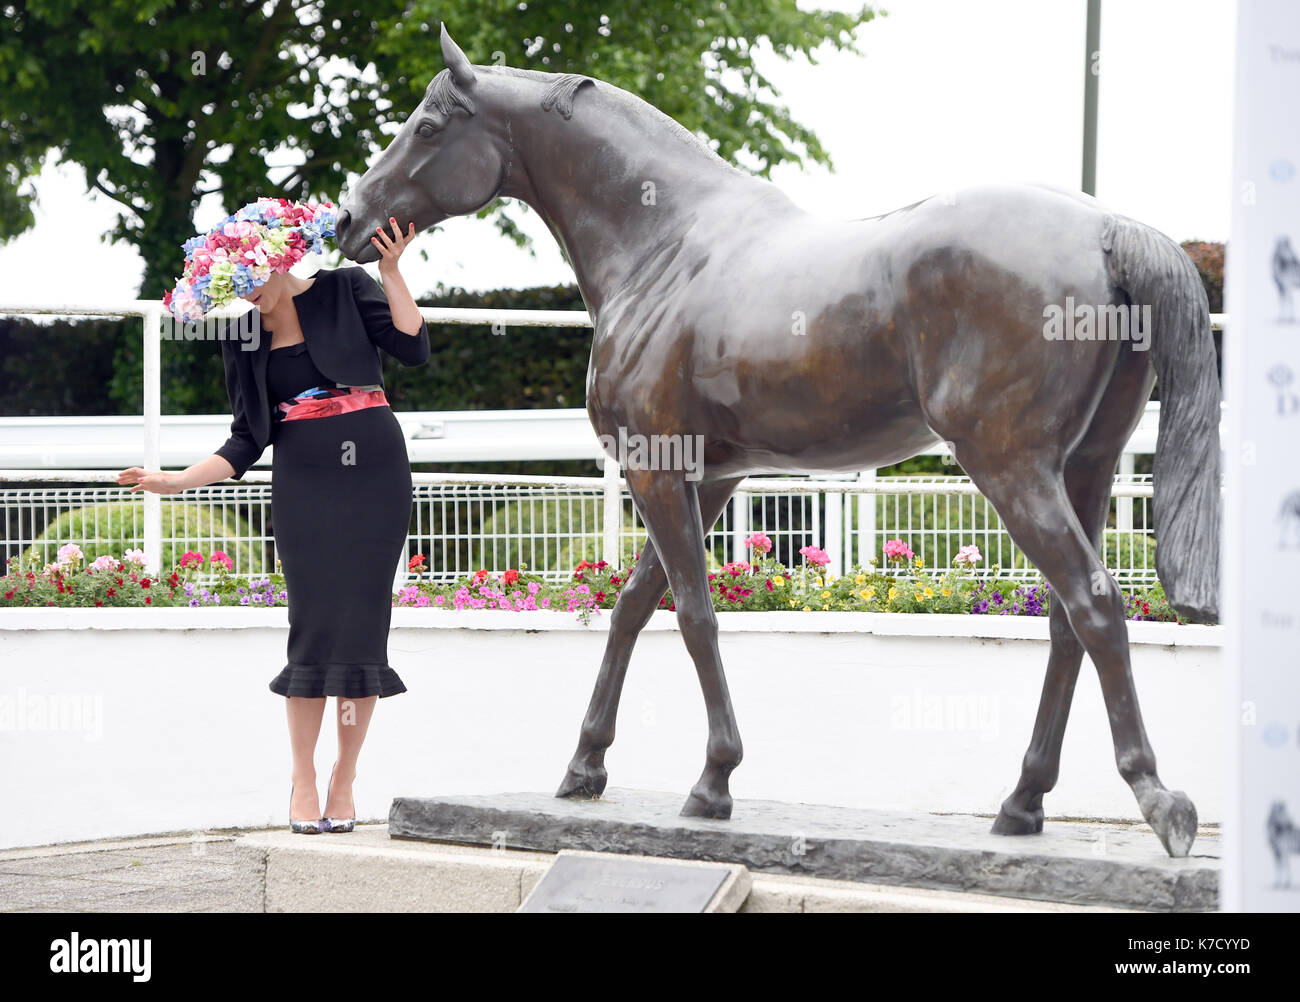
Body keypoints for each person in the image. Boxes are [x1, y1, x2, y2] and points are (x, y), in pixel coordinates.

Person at [116, 198, 429, 834]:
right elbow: (245, 440)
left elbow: (412, 348)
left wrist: (393, 271)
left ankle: (345, 778)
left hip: (374, 466)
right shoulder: (242, 336)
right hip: (303, 482)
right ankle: (304, 780)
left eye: (246, 277)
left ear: (279, 258)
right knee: (312, 628)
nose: (241, 293)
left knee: (364, 630)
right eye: (226, 284)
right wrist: (177, 481)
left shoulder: (344, 286)